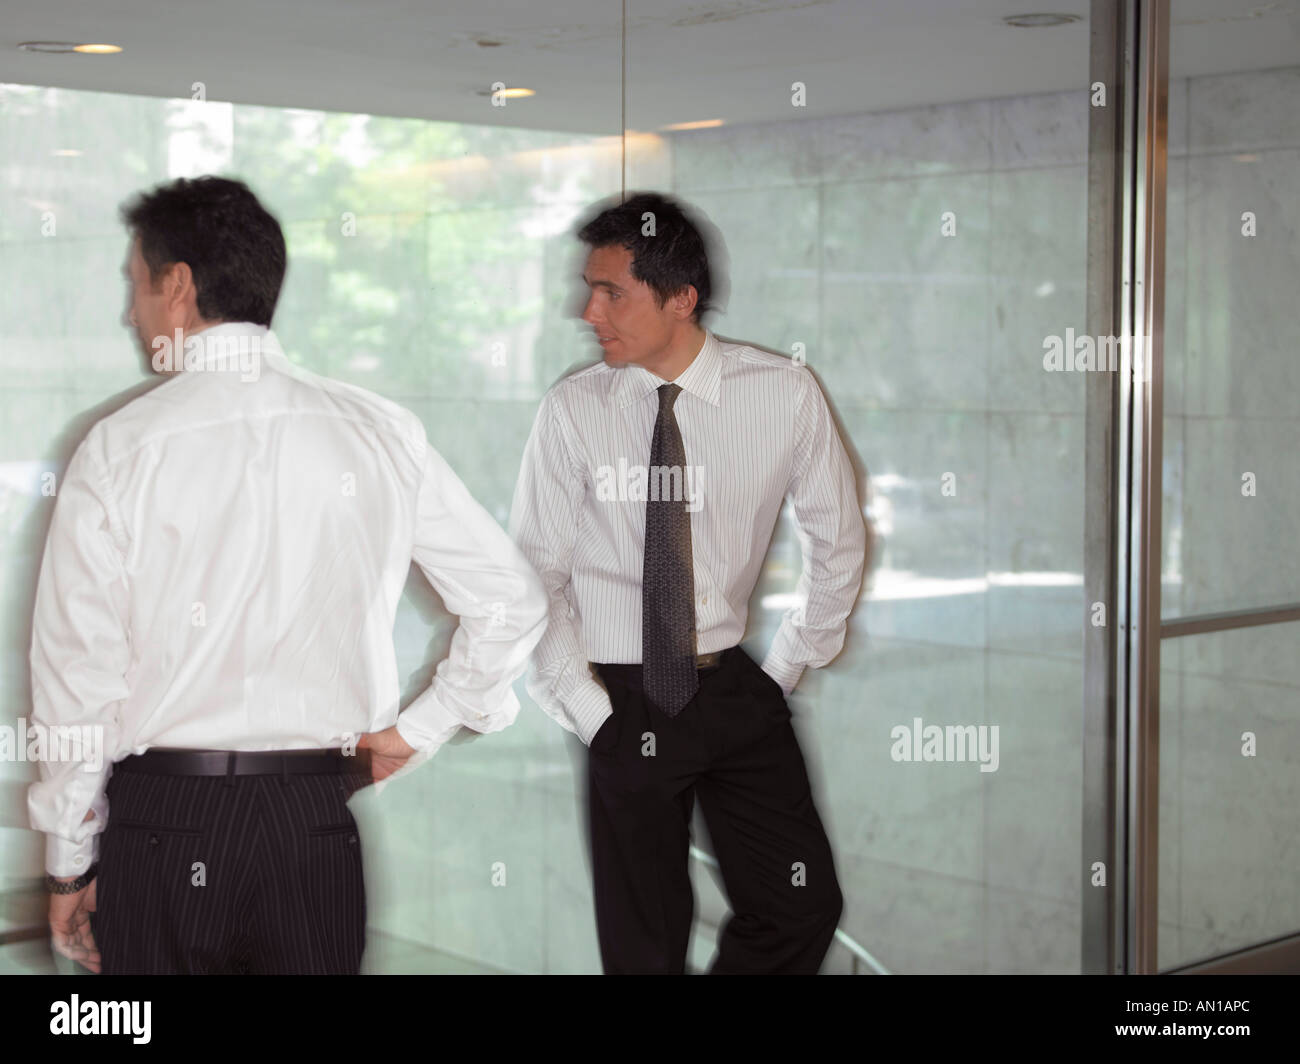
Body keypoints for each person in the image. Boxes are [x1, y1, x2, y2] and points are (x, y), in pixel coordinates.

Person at [28, 175, 548, 975]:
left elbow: (78, 675)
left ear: (178, 285)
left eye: (136, 284)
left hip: (163, 822)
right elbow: (511, 600)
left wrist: (69, 861)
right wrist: (420, 730)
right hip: (314, 826)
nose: (130, 313)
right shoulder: (379, 429)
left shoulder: (120, 448)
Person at [509, 192, 867, 974]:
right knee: (644, 945)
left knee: (801, 905)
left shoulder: (782, 392)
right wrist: (592, 713)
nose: (588, 311)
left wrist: (783, 671)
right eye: (589, 290)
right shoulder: (574, 409)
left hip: (735, 688)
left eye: (612, 293)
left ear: (681, 298)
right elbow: (537, 574)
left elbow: (836, 538)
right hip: (621, 692)